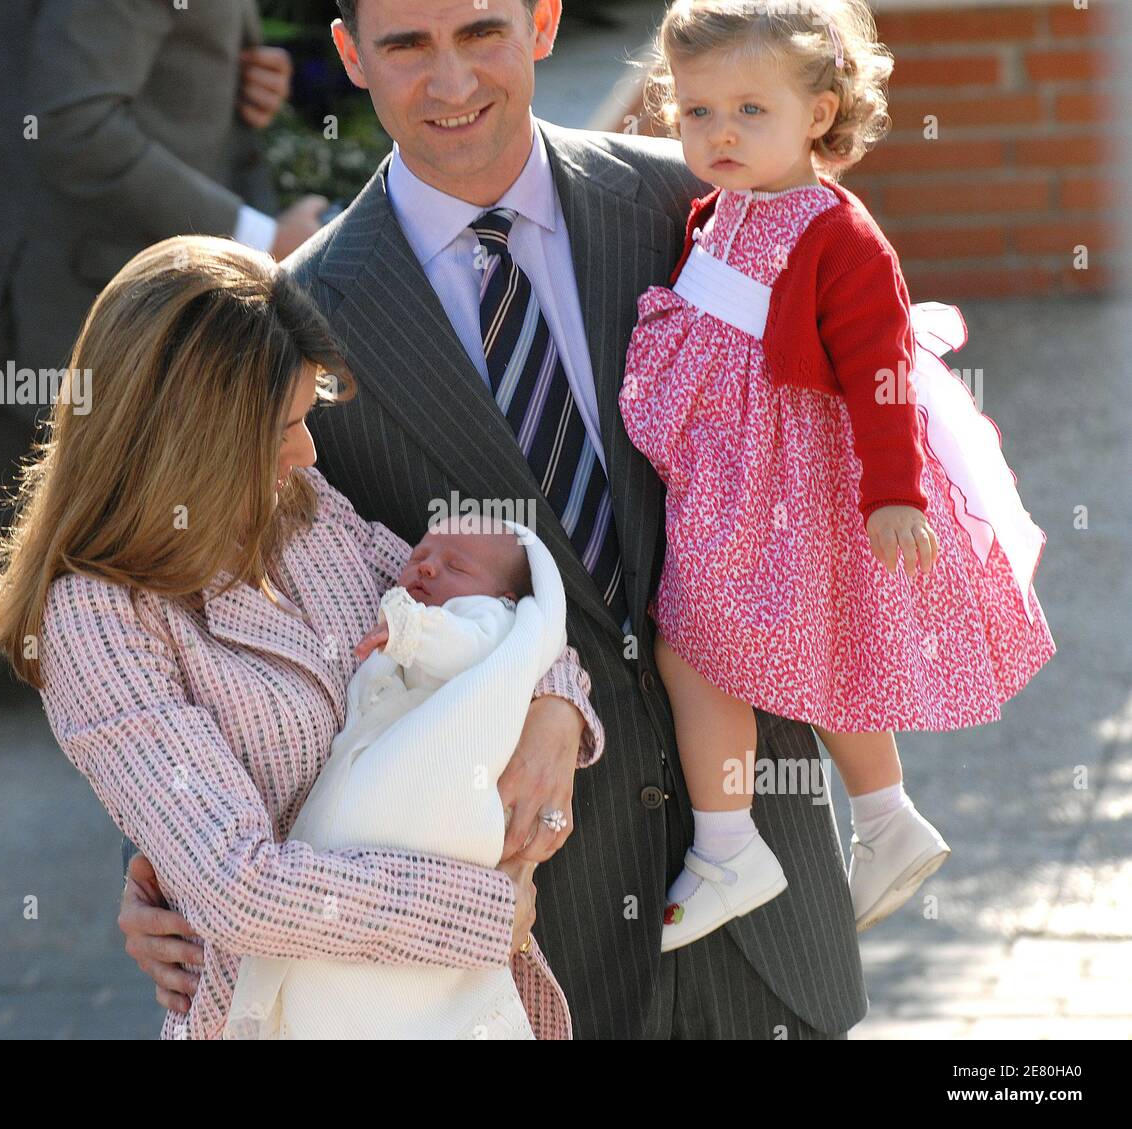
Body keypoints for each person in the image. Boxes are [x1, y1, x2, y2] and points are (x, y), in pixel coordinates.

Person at [121, 0, 872, 1040]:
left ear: (544, 22)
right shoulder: (296, 321)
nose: (453, 81)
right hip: (522, 938)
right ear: (348, 55)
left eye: (481, 32)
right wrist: (161, 862)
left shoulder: (702, 203)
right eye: (405, 46)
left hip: (765, 888)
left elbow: (849, 447)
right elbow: (222, 611)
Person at [0, 236, 603, 1040]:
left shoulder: (303, 508)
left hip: (461, 1010)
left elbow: (483, 611)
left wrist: (554, 712)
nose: (308, 451)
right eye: (282, 426)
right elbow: (238, 886)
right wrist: (481, 911)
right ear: (188, 438)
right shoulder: (97, 622)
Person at [0, 0, 326, 933]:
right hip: (66, 337)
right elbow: (69, 120)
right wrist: (257, 235)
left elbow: (116, 75)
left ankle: (201, 944)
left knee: (157, 646)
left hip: (102, 335)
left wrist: (229, 84)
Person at [617, 0, 1056, 951]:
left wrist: (893, 493)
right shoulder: (718, 208)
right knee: (801, 644)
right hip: (736, 483)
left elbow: (883, 372)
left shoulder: (837, 234)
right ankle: (887, 819)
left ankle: (736, 844)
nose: (718, 132)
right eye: (695, 112)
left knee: (694, 643)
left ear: (818, 113)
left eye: (748, 110)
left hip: (792, 490)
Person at [226, 520, 576, 1039]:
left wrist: (411, 632)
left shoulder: (485, 619)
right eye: (421, 554)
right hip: (362, 889)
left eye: (456, 566)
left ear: (506, 597)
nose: (427, 565)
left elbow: (473, 643)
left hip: (431, 813)